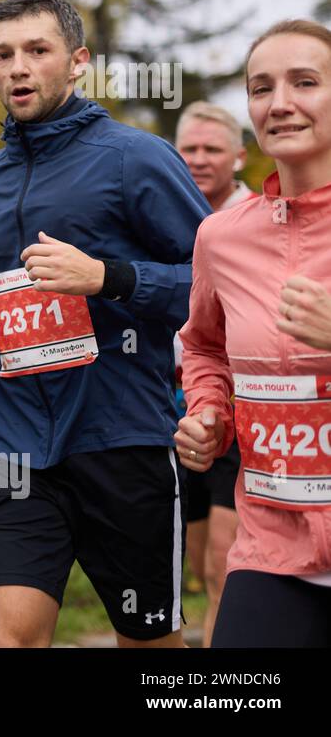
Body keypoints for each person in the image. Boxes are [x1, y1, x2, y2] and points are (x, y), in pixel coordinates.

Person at [0, 0, 210, 648]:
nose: (17, 68)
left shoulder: (134, 158)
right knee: (13, 636)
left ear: (77, 61)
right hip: (16, 443)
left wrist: (108, 277)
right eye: (2, 54)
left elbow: (215, 287)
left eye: (37, 50)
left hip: (120, 439)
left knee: (146, 644)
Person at [176, 19, 331, 647]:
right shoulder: (222, 237)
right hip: (272, 550)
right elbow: (203, 345)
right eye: (261, 87)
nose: (280, 103)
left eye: (305, 82)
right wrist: (210, 410)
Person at [172, 101, 258, 645]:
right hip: (181, 411)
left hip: (246, 409)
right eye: (189, 149)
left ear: (239, 156)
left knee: (224, 570)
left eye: (212, 149)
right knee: (197, 567)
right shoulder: (165, 214)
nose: (199, 159)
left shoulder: (258, 221)